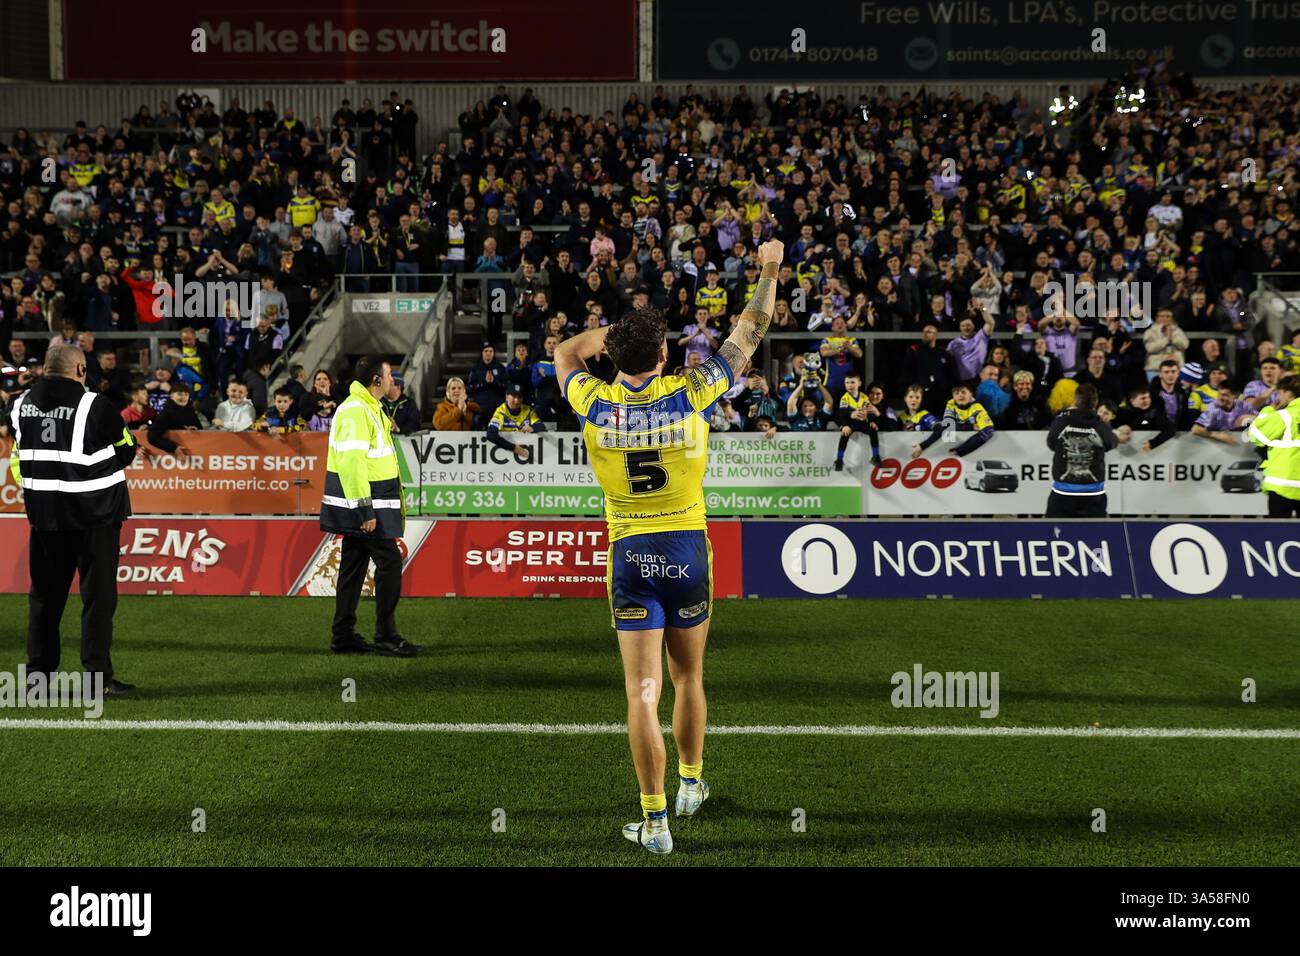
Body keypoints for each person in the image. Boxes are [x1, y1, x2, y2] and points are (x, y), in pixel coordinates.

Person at [553, 237, 784, 856]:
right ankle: (690, 784)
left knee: (641, 692)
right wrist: (769, 266)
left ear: (617, 356)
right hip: (686, 547)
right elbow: (751, 328)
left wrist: (612, 333)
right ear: (663, 353)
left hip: (631, 553)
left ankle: (655, 822)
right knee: (690, 678)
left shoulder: (593, 402)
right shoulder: (692, 391)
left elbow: (563, 350)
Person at [7, 344, 138, 696]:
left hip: (45, 518)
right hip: (94, 517)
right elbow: (127, 449)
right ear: (80, 369)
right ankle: (97, 679)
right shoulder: (95, 405)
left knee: (45, 599)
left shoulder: (18, 405)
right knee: (98, 600)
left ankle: (37, 678)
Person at [320, 355, 421, 657]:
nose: (393, 380)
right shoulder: (356, 411)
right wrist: (364, 510)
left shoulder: (367, 407)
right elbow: (352, 463)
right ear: (376, 380)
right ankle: (386, 636)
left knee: (353, 566)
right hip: (367, 504)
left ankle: (343, 635)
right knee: (389, 562)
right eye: (390, 375)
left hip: (368, 501)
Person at [1044, 384, 1119, 518]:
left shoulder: (1061, 421)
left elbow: (1051, 444)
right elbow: (1112, 443)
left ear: (1075, 401)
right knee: (1095, 536)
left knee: (1054, 534)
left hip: (1063, 493)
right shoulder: (1100, 425)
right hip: (1093, 495)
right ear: (1095, 403)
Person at [1247, 375, 1300, 518]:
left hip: (1282, 485)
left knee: (1278, 533)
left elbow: (1255, 434)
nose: (1280, 396)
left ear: (1289, 393)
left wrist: (1268, 411)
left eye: (1281, 392)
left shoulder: (1284, 416)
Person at [910, 382, 995, 460]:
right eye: (956, 393)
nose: (960, 395)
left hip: (975, 456)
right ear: (953, 396)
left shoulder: (977, 408)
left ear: (971, 394)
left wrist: (962, 449)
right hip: (946, 452)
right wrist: (970, 426)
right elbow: (947, 425)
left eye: (963, 392)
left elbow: (989, 430)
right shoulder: (951, 403)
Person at [485, 383, 546, 460]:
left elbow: (542, 427)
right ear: (506, 397)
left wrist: (532, 428)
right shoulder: (501, 412)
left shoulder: (528, 410)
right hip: (504, 456)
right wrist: (514, 448)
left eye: (519, 397)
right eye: (513, 396)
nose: (516, 400)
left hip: (527, 456)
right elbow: (491, 435)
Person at [835, 373, 882, 469]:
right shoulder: (845, 398)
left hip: (863, 423)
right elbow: (842, 413)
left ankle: (876, 456)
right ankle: (839, 460)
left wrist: (872, 421)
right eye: (847, 382)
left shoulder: (864, 397)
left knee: (873, 431)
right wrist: (844, 425)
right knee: (844, 434)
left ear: (859, 383)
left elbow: (869, 412)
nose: (849, 385)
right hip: (851, 423)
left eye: (852, 382)